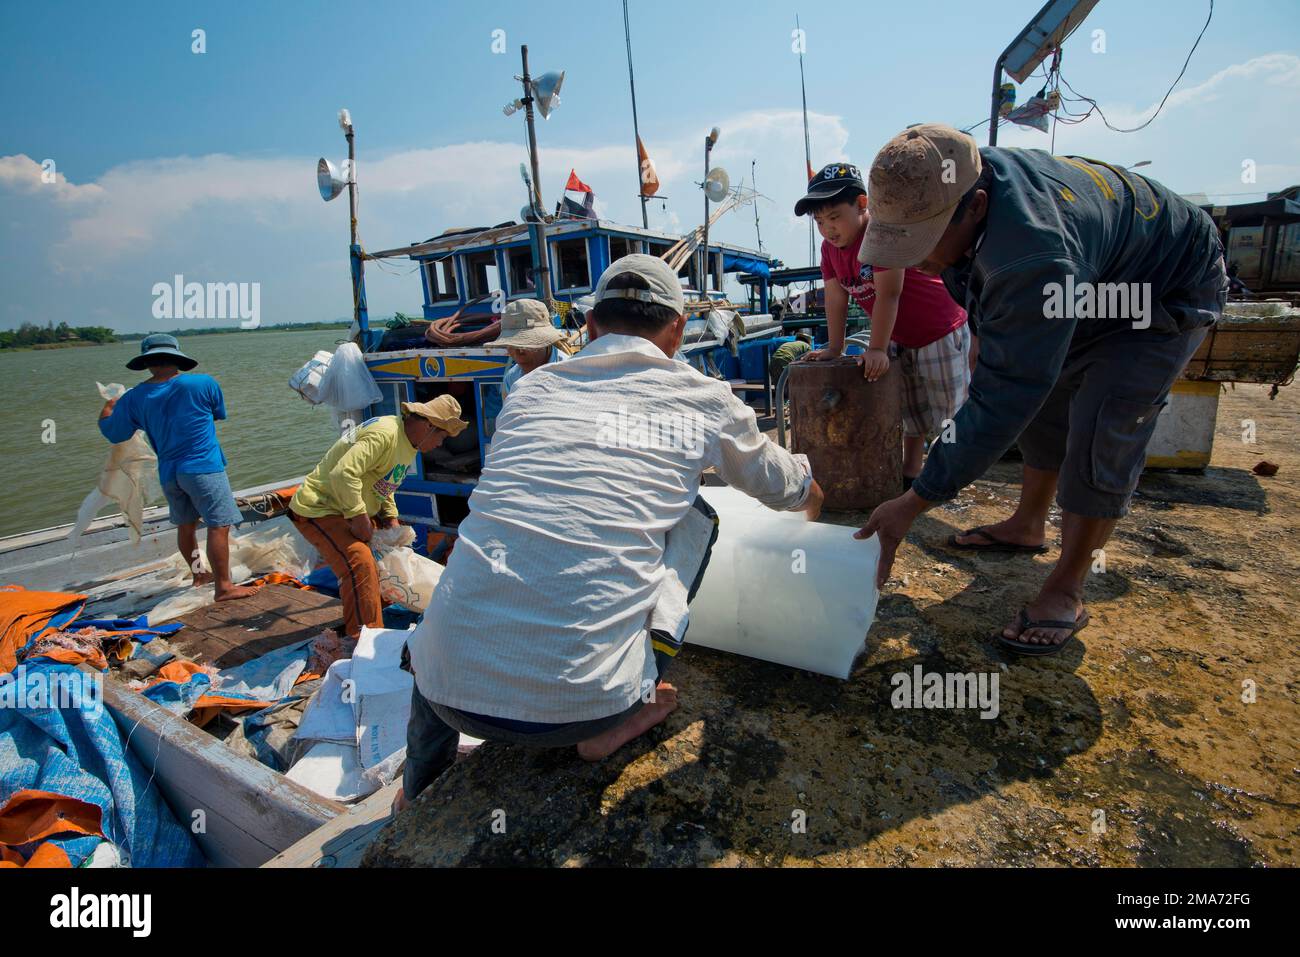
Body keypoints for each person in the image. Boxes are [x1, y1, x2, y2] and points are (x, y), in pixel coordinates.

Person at [395, 254, 824, 811]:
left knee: (473, 575)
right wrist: (816, 498)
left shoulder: (530, 391)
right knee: (695, 516)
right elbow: (784, 487)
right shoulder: (703, 398)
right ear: (676, 331)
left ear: (591, 326)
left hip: (442, 692)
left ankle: (416, 792)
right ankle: (626, 706)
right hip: (588, 707)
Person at [855, 124, 1226, 655]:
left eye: (924, 241)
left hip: (1159, 289)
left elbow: (1005, 394)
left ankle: (1067, 584)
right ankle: (1028, 524)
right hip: (1085, 280)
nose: (915, 260)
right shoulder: (954, 183)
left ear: (976, 206)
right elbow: (989, 304)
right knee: (1047, 399)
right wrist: (987, 331)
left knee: (1105, 421)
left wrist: (915, 500)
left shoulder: (1033, 254)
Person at [796, 162, 972, 489]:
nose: (827, 229)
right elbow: (836, 298)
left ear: (862, 204)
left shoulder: (881, 233)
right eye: (819, 222)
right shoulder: (828, 250)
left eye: (835, 217)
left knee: (950, 414)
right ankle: (911, 471)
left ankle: (951, 476)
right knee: (908, 410)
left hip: (938, 329)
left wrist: (876, 348)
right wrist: (834, 347)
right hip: (895, 335)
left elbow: (889, 294)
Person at [288, 396, 466, 638]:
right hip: (321, 507)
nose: (439, 444)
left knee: (385, 562)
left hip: (349, 506)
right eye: (441, 437)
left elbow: (385, 484)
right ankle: (362, 639)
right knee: (359, 562)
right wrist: (358, 516)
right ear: (428, 426)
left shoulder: (408, 444)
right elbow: (343, 473)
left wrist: (390, 517)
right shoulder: (385, 434)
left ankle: (372, 614)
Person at [98, 334, 258, 602]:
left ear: (147, 363)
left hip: (170, 473)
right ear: (177, 359)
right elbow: (218, 413)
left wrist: (105, 411)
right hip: (204, 468)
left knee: (186, 526)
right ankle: (224, 586)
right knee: (219, 525)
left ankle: (199, 575)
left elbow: (115, 433)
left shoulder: (133, 397)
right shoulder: (202, 383)